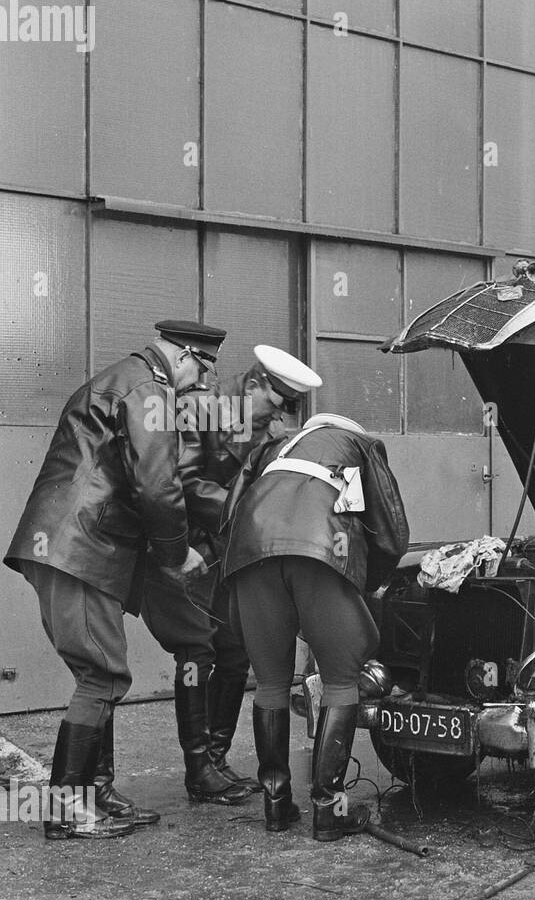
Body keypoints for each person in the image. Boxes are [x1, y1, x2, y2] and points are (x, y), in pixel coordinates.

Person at [4, 321, 214, 839]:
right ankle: (66, 811)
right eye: (203, 373)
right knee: (102, 675)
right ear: (185, 356)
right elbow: (157, 483)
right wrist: (175, 554)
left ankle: (96, 792)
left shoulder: (125, 380)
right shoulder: (148, 389)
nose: (203, 387)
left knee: (101, 673)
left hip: (76, 543)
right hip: (80, 546)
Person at [138, 345, 322, 801]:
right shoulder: (201, 409)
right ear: (254, 385)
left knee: (237, 650)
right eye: (275, 405)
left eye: (287, 411)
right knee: (195, 652)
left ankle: (215, 759)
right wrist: (247, 511)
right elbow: (179, 480)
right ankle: (198, 768)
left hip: (219, 554)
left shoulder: (261, 426)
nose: (277, 419)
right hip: (176, 548)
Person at [221, 413, 409, 840]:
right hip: (318, 551)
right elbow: (392, 534)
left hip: (250, 551)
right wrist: (365, 583)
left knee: (269, 681)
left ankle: (276, 806)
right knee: (342, 677)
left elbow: (228, 513)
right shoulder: (362, 446)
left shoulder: (272, 450)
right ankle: (329, 809)